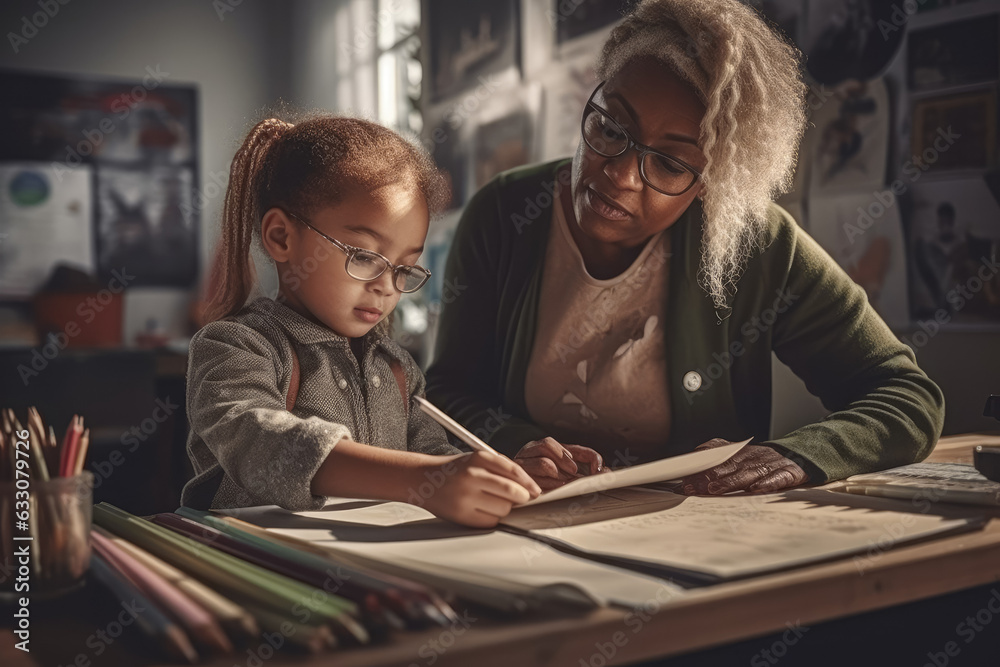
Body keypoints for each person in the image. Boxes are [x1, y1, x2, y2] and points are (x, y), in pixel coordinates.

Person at [425, 0, 945, 495]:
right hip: (524, 531)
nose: (620, 174)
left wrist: (800, 455)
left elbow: (906, 398)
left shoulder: (754, 243)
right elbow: (446, 394)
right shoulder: (504, 213)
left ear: (713, 182)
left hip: (693, 544)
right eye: (609, 127)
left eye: (671, 165)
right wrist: (514, 444)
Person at [180, 114, 593, 528]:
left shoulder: (397, 368)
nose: (386, 287)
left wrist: (506, 476)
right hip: (258, 567)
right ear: (281, 237)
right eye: (363, 255)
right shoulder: (234, 346)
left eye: (404, 268)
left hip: (369, 572)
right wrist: (422, 480)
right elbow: (260, 443)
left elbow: (436, 460)